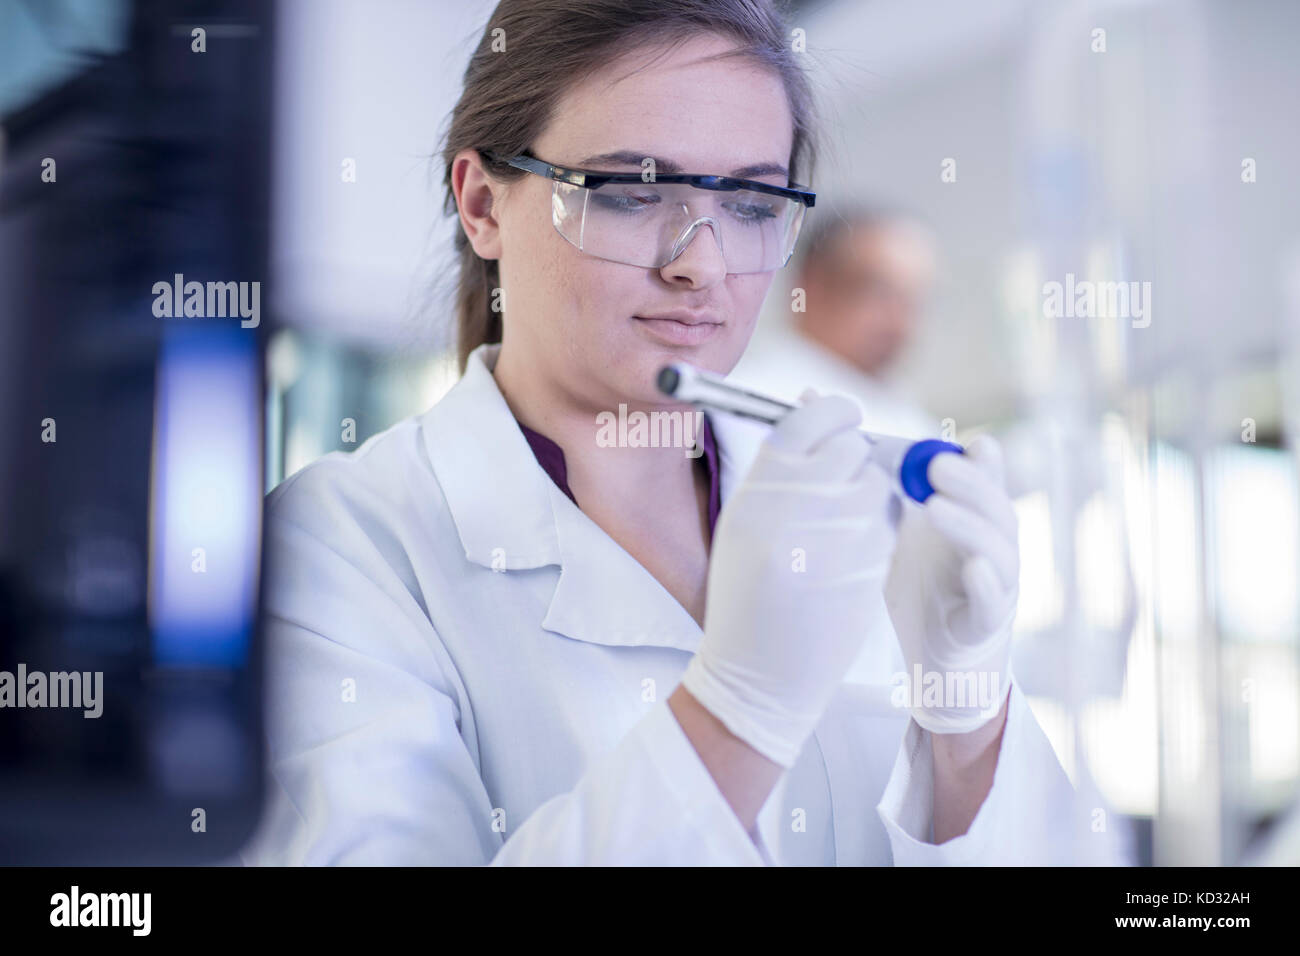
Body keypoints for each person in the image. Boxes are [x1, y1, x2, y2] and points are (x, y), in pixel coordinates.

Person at [239, 0, 1083, 866]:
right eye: (635, 192)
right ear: (484, 203)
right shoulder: (337, 552)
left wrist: (968, 717)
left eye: (753, 203)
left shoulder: (850, 503)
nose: (701, 263)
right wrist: (733, 718)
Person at [732, 205, 940, 440]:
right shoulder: (748, 403)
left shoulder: (912, 421)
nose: (900, 324)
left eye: (911, 301)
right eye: (879, 293)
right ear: (811, 285)